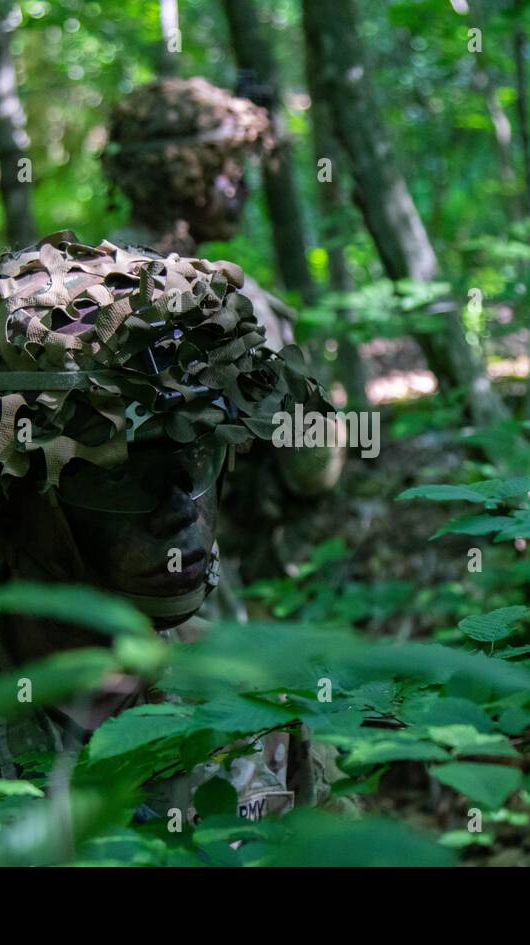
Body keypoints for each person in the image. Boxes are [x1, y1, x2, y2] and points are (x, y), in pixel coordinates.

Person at [0, 230, 343, 820]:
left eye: (198, 462)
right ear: (4, 500)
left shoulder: (253, 699)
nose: (180, 510)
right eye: (120, 478)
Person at [104, 77, 342, 590]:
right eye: (230, 172)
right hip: (197, 585)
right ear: (191, 179)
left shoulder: (72, 284)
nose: (244, 187)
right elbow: (311, 467)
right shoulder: (234, 302)